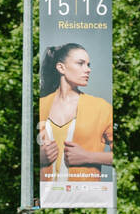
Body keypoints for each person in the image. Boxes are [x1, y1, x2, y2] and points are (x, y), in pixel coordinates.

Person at [37, 43, 114, 181]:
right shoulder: (41, 105)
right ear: (61, 67)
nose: (88, 70)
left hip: (85, 198)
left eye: (88, 65)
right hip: (48, 199)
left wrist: (88, 156)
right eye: (81, 63)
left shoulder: (102, 108)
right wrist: (37, 156)